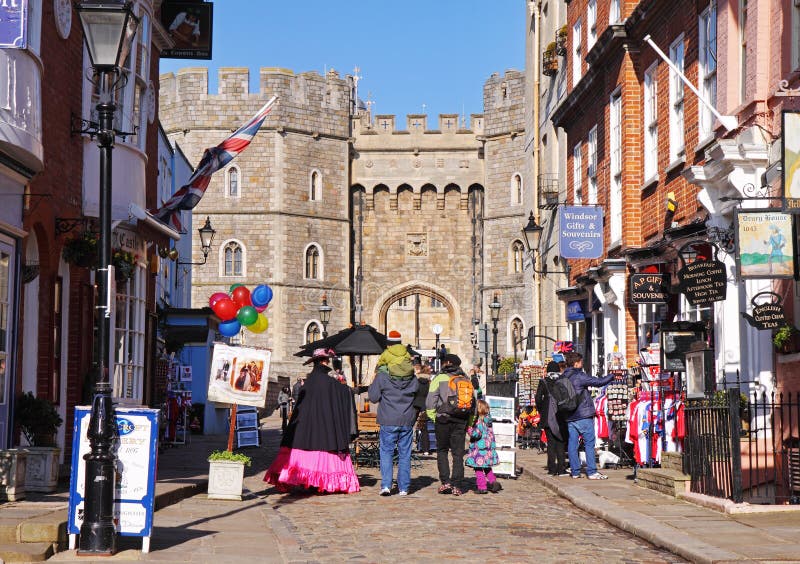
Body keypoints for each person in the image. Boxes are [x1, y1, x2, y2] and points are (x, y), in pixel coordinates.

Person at [264, 348, 359, 493]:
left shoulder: (306, 384)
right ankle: (322, 481)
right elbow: (345, 394)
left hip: (305, 429)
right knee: (325, 450)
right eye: (327, 360)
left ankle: (306, 479)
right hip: (325, 427)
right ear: (324, 361)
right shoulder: (331, 383)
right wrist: (346, 388)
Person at [368, 333, 419, 496]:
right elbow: (417, 395)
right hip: (406, 419)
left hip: (388, 419)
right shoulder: (412, 377)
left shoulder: (383, 376)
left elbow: (373, 397)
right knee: (405, 454)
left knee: (386, 452)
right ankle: (403, 487)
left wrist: (374, 381)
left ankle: (386, 485)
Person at [426, 353, 473, 496]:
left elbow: (430, 402)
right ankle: (457, 485)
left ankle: (446, 482)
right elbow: (474, 403)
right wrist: (469, 422)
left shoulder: (439, 378)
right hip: (461, 420)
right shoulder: (466, 379)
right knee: (458, 454)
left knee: (442, 450)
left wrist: (434, 417)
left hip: (443, 420)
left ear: (446, 363)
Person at [563, 352, 615, 480]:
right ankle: (592, 471)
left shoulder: (563, 377)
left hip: (569, 415)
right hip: (583, 414)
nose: (582, 364)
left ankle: (575, 471)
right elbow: (599, 382)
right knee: (589, 444)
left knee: (572, 444)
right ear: (576, 363)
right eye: (580, 362)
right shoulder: (579, 376)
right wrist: (613, 375)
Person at [535, 360, 570, 476]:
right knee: (560, 442)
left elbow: (538, 399)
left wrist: (542, 411)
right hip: (561, 416)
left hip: (548, 416)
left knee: (551, 444)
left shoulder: (544, 382)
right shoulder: (564, 381)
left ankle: (551, 469)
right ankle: (561, 468)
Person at [466, 399, 502, 494]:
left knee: (478, 469)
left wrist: (469, 429)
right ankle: (493, 482)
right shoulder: (488, 421)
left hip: (479, 449)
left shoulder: (479, 422)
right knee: (487, 467)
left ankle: (482, 487)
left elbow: (476, 434)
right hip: (488, 449)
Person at [413, 364, 432, 453]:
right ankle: (426, 450)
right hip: (425, 406)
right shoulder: (429, 383)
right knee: (424, 429)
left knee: (409, 426)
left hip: (415, 404)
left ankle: (407, 448)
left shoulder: (416, 380)